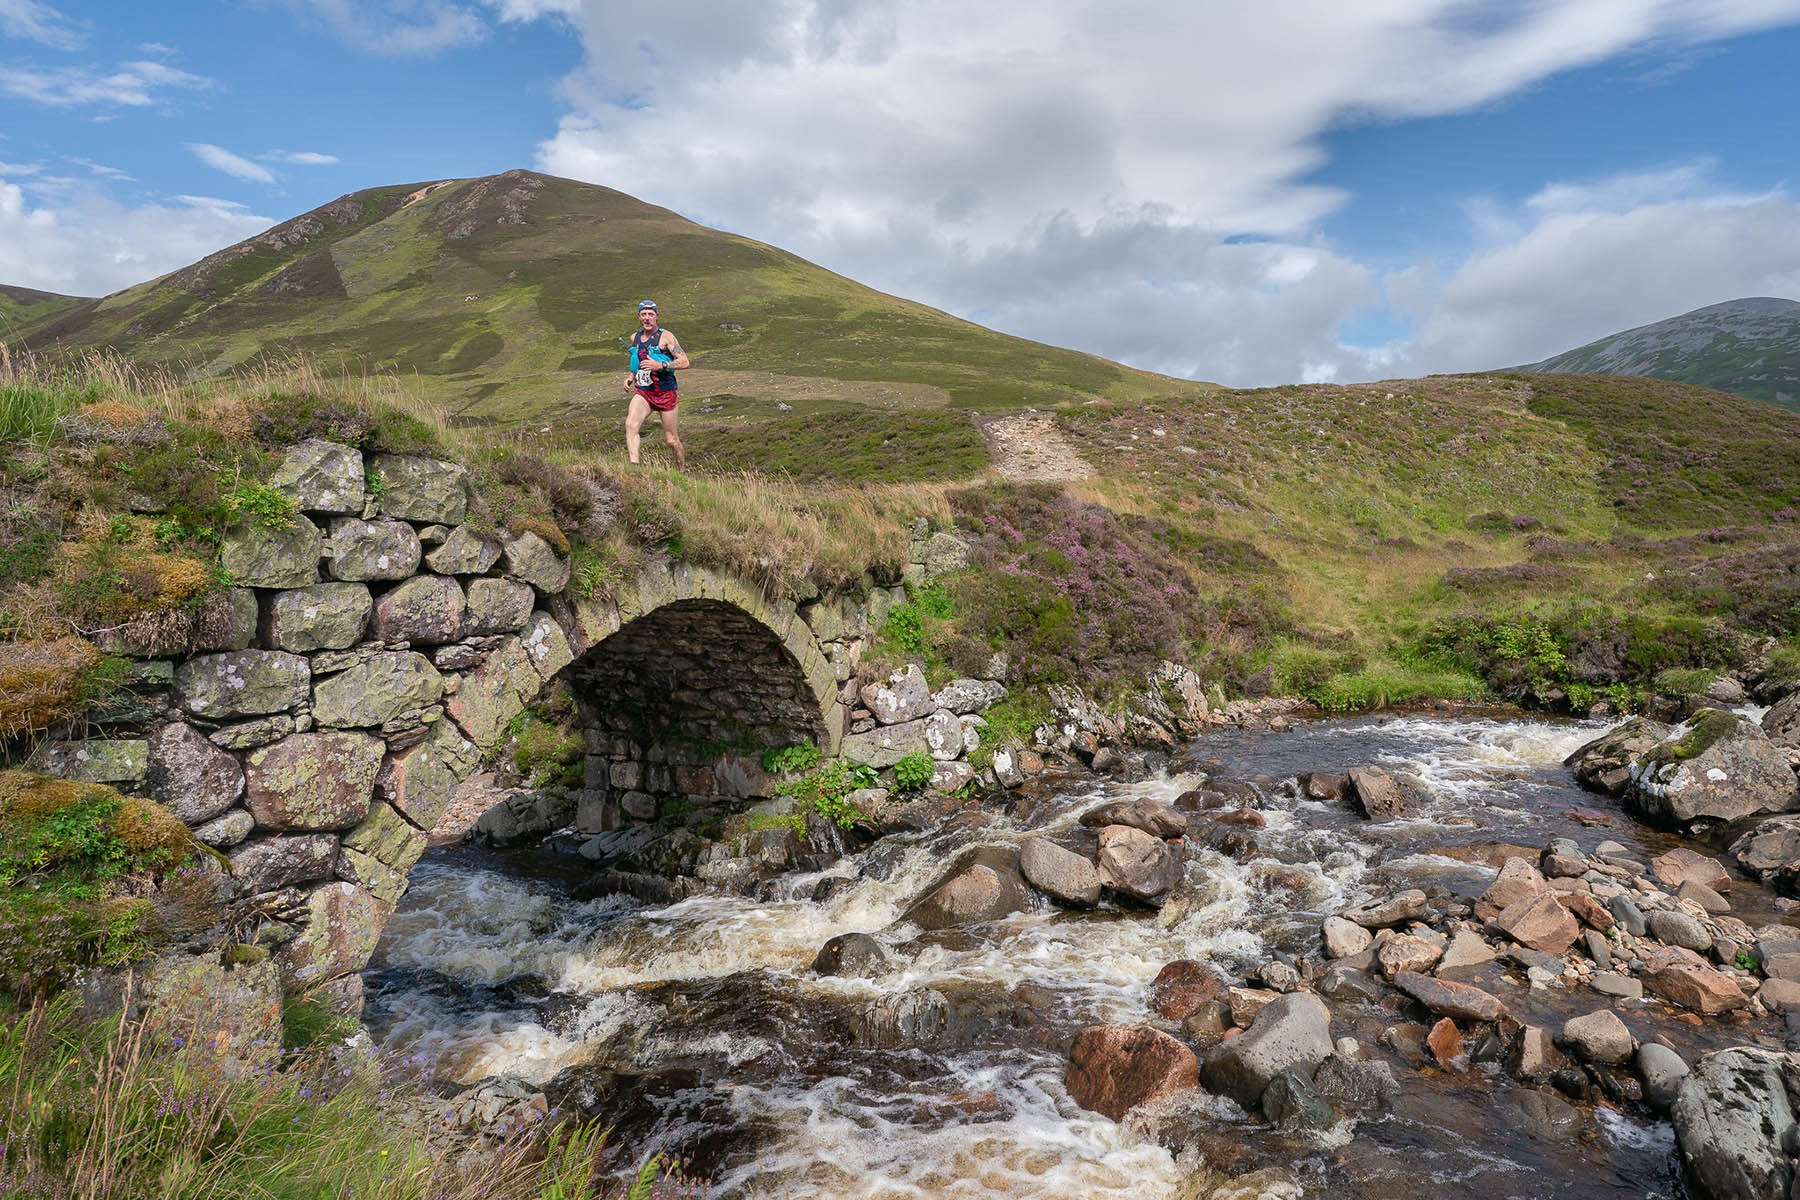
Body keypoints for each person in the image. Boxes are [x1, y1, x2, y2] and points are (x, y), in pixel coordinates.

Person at [623, 299, 690, 468]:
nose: (647, 318)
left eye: (650, 315)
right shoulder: (635, 338)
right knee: (631, 424)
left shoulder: (666, 337)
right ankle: (634, 467)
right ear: (639, 317)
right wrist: (630, 377)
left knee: (671, 440)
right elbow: (637, 361)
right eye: (643, 314)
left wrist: (661, 365)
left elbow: (684, 361)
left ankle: (681, 470)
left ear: (657, 317)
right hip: (644, 392)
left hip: (665, 393)